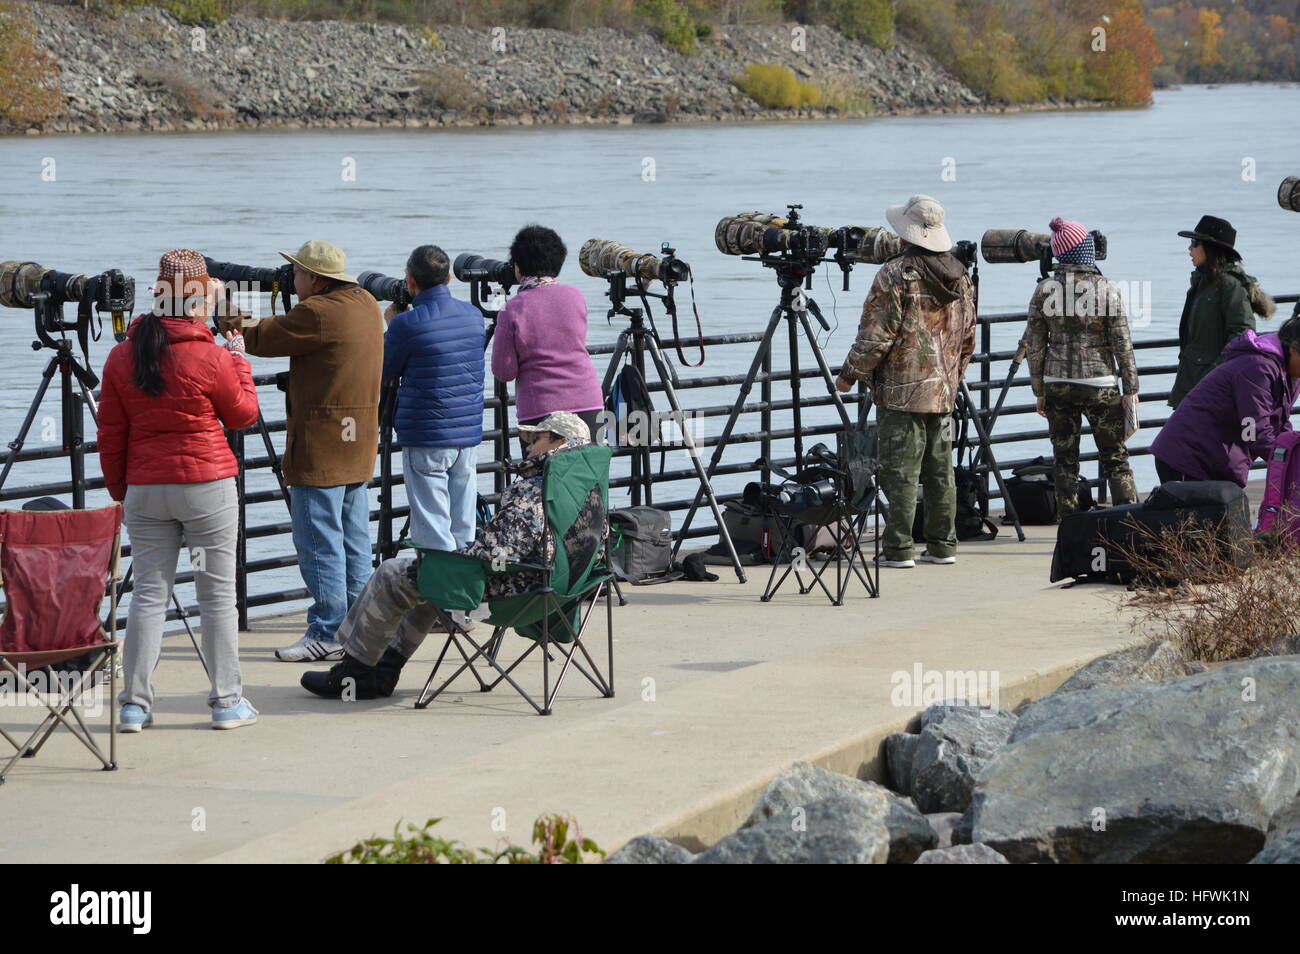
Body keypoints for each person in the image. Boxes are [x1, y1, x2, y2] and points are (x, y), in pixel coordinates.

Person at [298, 412, 592, 700]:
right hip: (560, 594)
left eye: (536, 439)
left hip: (514, 593)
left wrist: (459, 556)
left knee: (394, 573)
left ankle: (354, 674)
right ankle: (384, 670)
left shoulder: (535, 490)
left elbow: (498, 551)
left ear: (560, 442)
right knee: (425, 579)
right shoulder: (585, 489)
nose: (528, 447)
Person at [98, 249, 260, 731]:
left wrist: (121, 490)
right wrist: (239, 357)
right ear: (197, 303)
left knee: (148, 595)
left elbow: (111, 433)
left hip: (146, 489)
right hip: (206, 488)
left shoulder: (122, 354)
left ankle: (134, 705)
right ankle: (227, 702)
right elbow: (243, 415)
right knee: (216, 596)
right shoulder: (211, 356)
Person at [231, 240, 384, 662]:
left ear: (315, 279)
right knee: (355, 542)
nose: (291, 278)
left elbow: (257, 336)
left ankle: (327, 631)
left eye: (297, 272)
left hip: (322, 448)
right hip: (357, 442)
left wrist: (223, 306)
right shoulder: (366, 303)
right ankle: (360, 629)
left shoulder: (317, 312)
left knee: (318, 541)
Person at [835, 194, 977, 568]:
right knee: (941, 472)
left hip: (901, 392)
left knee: (900, 472)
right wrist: (952, 377)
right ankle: (943, 546)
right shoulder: (961, 275)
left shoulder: (895, 273)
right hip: (942, 392)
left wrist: (849, 374)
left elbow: (876, 335)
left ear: (906, 233)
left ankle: (899, 549)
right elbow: (968, 337)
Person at [1026, 217, 1139, 517]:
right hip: (1100, 383)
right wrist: (1131, 388)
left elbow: (1035, 347)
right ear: (1087, 251)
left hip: (1057, 383)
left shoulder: (1044, 290)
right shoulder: (1107, 288)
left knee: (1064, 461)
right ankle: (1129, 522)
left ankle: (1070, 526)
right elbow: (1122, 343)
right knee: (1115, 457)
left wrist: (1039, 390)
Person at [382, 244, 484, 552]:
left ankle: (440, 583)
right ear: (449, 278)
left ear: (410, 281)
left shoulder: (405, 325)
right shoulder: (474, 315)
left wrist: (392, 326)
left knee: (433, 528)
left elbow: (386, 369)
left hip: (426, 436)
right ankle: (463, 579)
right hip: (466, 436)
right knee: (463, 524)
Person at [491, 224, 604, 450]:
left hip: (541, 412)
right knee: (587, 471)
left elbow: (504, 372)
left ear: (518, 267)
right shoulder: (575, 295)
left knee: (546, 473)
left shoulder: (511, 308)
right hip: (589, 404)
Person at [1151, 317, 1300, 487]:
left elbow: (1280, 425)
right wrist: (1289, 462)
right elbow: (1252, 428)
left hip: (1216, 458)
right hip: (1188, 457)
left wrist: (1293, 452)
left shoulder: (1289, 374)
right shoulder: (1258, 367)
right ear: (1294, 349)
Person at [1169, 215, 1275, 408]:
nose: (1189, 249)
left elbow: (1242, 334)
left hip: (1211, 386)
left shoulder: (1229, 285)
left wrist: (1215, 372)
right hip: (1193, 380)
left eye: (1195, 243)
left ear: (1210, 248)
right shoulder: (1203, 282)